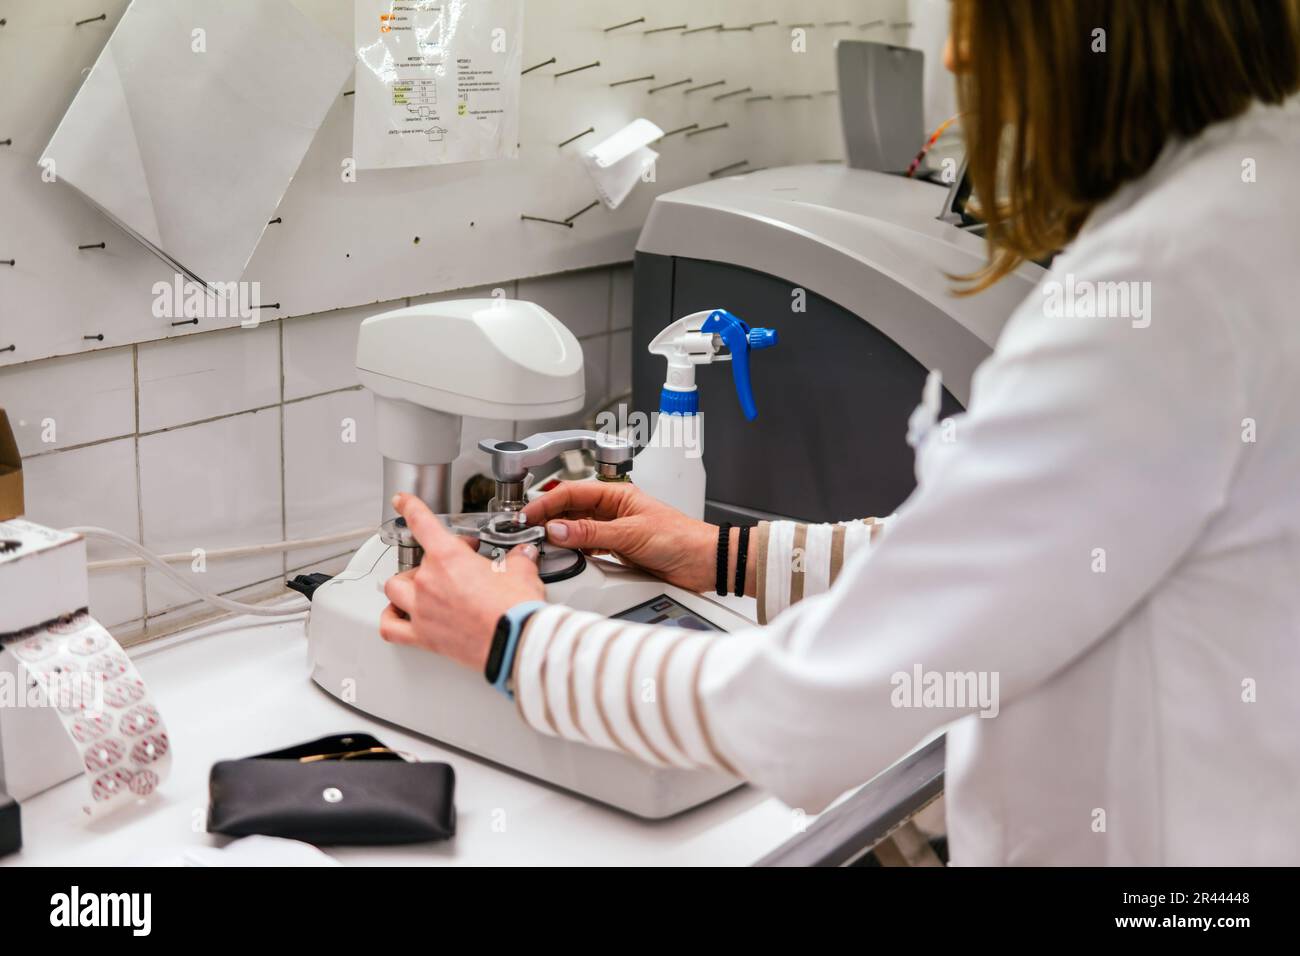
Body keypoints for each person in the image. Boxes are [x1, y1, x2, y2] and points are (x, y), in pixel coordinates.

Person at [379, 0, 1300, 865]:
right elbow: (1008, 554)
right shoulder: (1256, 205)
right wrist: (723, 554)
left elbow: (805, 714)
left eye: (981, 16)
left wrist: (511, 641)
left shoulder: (1164, 289)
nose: (957, 52)